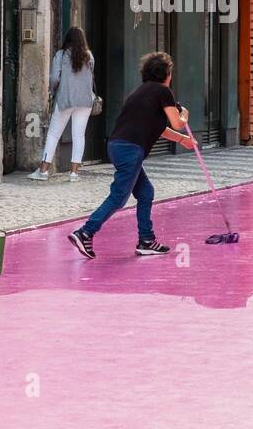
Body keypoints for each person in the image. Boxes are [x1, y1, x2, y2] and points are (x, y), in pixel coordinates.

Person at [67, 51, 195, 259]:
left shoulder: (139, 92)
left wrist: (181, 140)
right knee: (119, 196)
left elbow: (160, 128)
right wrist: (184, 115)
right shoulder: (163, 92)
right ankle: (85, 232)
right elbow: (177, 123)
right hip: (131, 149)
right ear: (166, 74)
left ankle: (146, 240)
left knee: (145, 192)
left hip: (117, 146)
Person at [30, 27, 96, 182]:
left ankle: (43, 171)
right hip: (85, 100)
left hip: (65, 99)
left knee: (53, 134)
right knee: (79, 135)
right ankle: (74, 173)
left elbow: (54, 79)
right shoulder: (89, 56)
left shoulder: (60, 55)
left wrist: (52, 92)